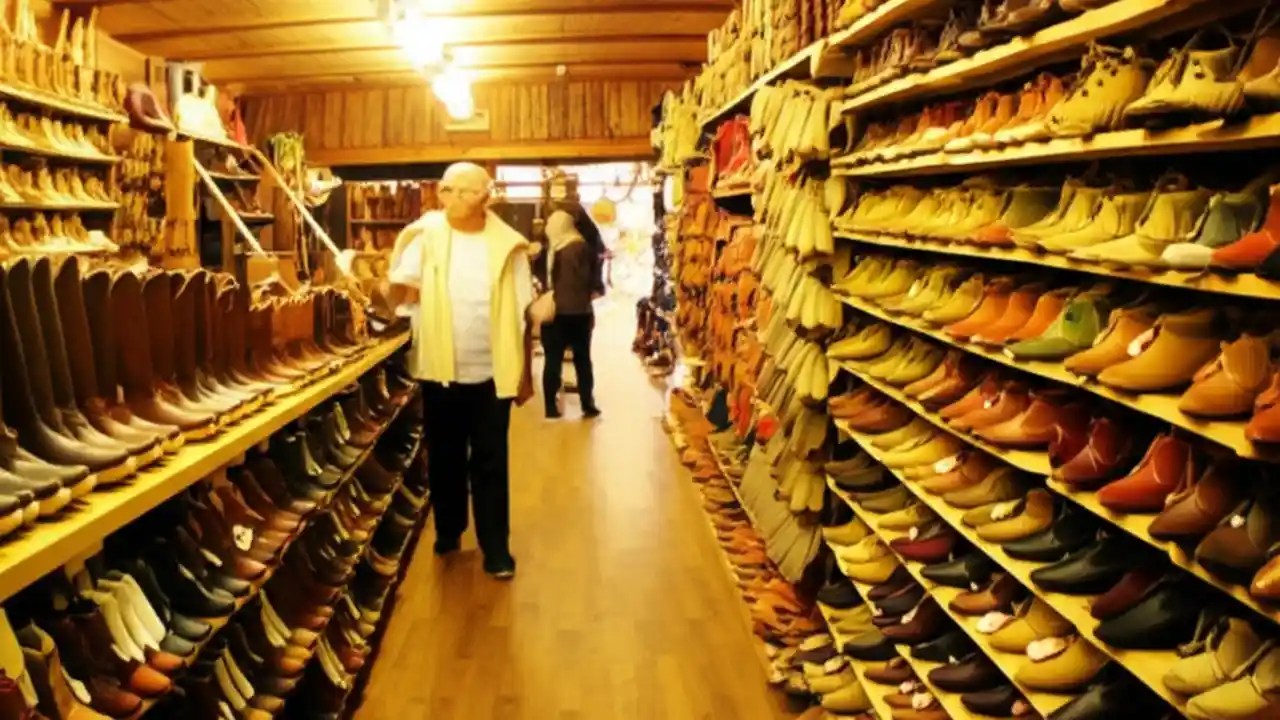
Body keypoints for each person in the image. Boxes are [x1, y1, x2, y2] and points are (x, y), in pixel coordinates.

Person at [386, 162, 534, 580]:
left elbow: (522, 310)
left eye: (463, 191)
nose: (450, 198)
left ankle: (495, 548)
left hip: (492, 372)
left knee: (490, 461)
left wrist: (525, 373)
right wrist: (380, 288)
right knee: (446, 457)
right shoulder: (427, 236)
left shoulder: (508, 245)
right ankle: (449, 530)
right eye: (446, 189)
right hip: (439, 368)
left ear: (487, 196)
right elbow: (400, 288)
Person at [540, 210, 601, 419]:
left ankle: (550, 407)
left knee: (552, 360)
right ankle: (587, 403)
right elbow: (588, 279)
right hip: (579, 312)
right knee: (582, 359)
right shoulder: (579, 247)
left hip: (554, 313)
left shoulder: (552, 248)